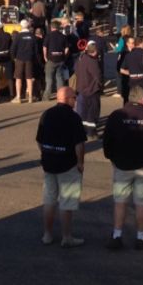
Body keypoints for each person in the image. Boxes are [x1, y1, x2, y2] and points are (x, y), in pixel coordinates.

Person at [102, 85, 143, 250]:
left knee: (120, 202)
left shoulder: (116, 116)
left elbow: (107, 140)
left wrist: (112, 158)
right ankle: (141, 237)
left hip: (122, 165)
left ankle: (117, 235)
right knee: (141, 203)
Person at [35, 86, 87, 248]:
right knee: (67, 202)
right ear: (68, 99)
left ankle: (47, 234)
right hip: (68, 164)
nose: (76, 100)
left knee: (49, 200)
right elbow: (79, 144)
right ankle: (67, 237)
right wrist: (80, 163)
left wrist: (45, 153)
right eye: (74, 97)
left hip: (49, 164)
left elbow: (39, 139)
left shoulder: (47, 114)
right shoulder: (73, 117)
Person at [73, 38, 103, 139]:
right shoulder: (93, 62)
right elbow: (98, 76)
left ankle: (82, 131)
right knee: (92, 112)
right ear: (94, 52)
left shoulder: (81, 58)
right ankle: (91, 132)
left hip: (81, 88)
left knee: (82, 112)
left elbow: (76, 70)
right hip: (92, 90)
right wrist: (99, 86)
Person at [118, 34, 143, 108]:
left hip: (132, 83)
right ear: (141, 43)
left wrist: (131, 73)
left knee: (133, 102)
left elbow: (121, 70)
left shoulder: (128, 55)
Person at [42, 19, 70, 99]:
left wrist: (45, 57)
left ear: (51, 27)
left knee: (49, 79)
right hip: (60, 59)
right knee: (60, 78)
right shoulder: (63, 36)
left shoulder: (48, 36)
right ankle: (60, 96)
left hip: (51, 59)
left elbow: (44, 48)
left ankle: (47, 96)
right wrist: (63, 56)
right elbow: (67, 48)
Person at [12, 18, 38, 103]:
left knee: (18, 78)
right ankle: (30, 97)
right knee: (29, 78)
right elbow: (36, 50)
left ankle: (18, 97)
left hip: (19, 58)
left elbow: (13, 48)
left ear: (21, 26)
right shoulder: (33, 36)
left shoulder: (18, 36)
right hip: (29, 59)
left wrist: (14, 58)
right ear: (28, 26)